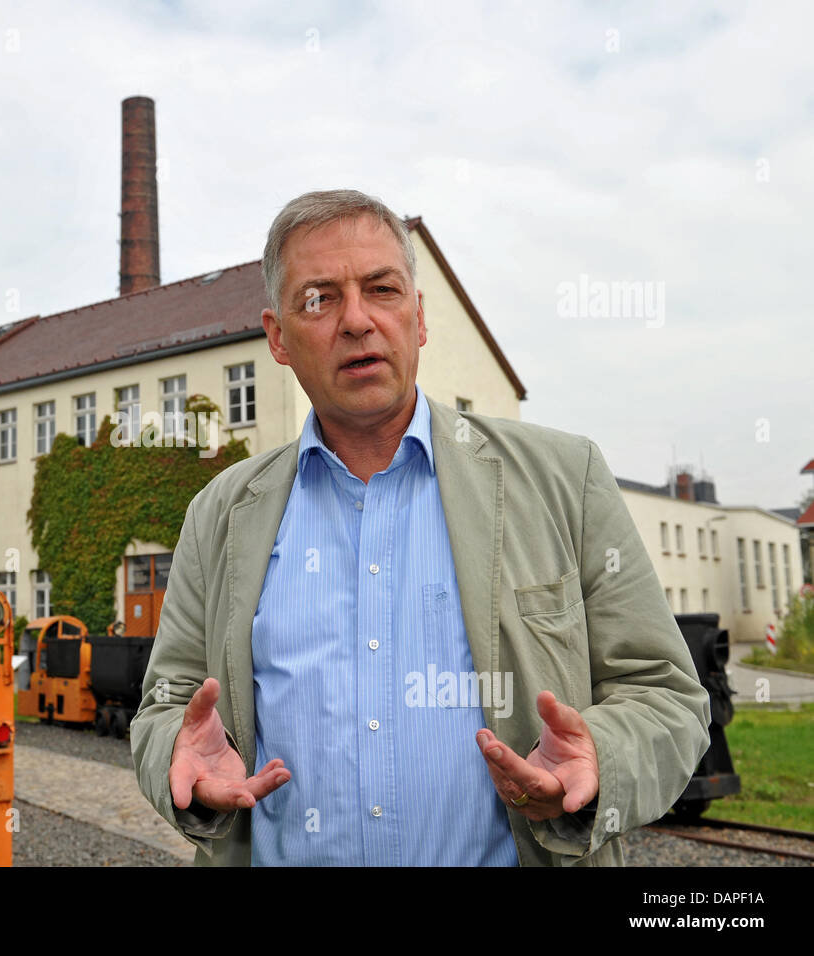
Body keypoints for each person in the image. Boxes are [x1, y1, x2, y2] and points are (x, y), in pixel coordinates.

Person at [130, 189, 710, 866]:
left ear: (418, 316)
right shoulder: (221, 513)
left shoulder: (563, 479)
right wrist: (177, 754)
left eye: (381, 289)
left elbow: (664, 695)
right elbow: (165, 705)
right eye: (319, 298)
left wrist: (600, 761)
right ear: (278, 336)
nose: (357, 321)